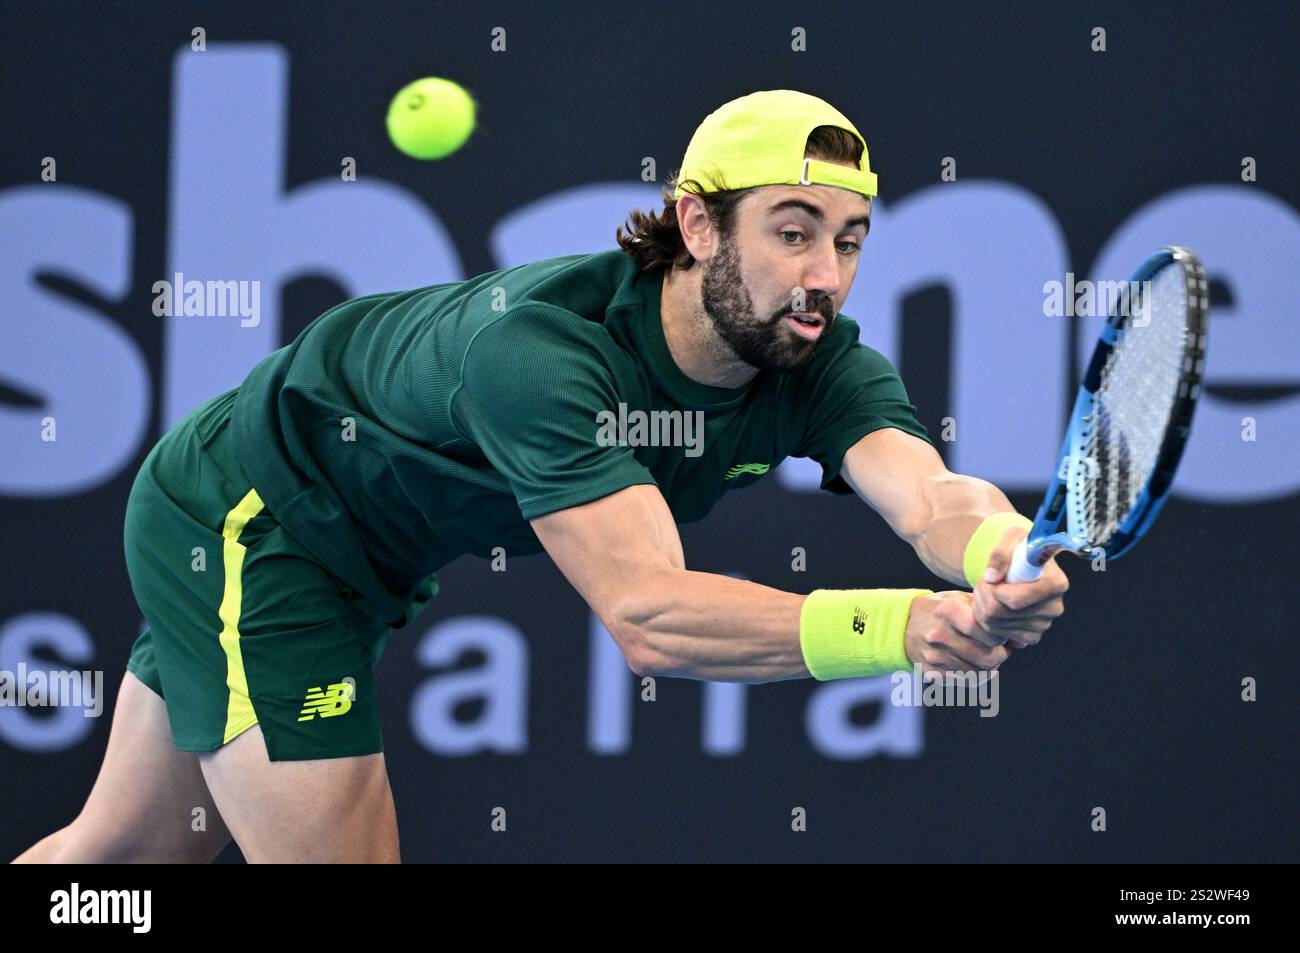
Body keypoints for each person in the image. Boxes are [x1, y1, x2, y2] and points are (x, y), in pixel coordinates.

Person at [13, 89, 1067, 864]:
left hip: (359, 553)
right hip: (253, 518)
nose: (824, 276)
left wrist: (999, 550)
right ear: (698, 225)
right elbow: (649, 615)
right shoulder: (544, 358)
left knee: (119, 867)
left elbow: (928, 493)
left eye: (847, 240)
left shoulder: (816, 357)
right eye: (790, 233)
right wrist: (902, 626)